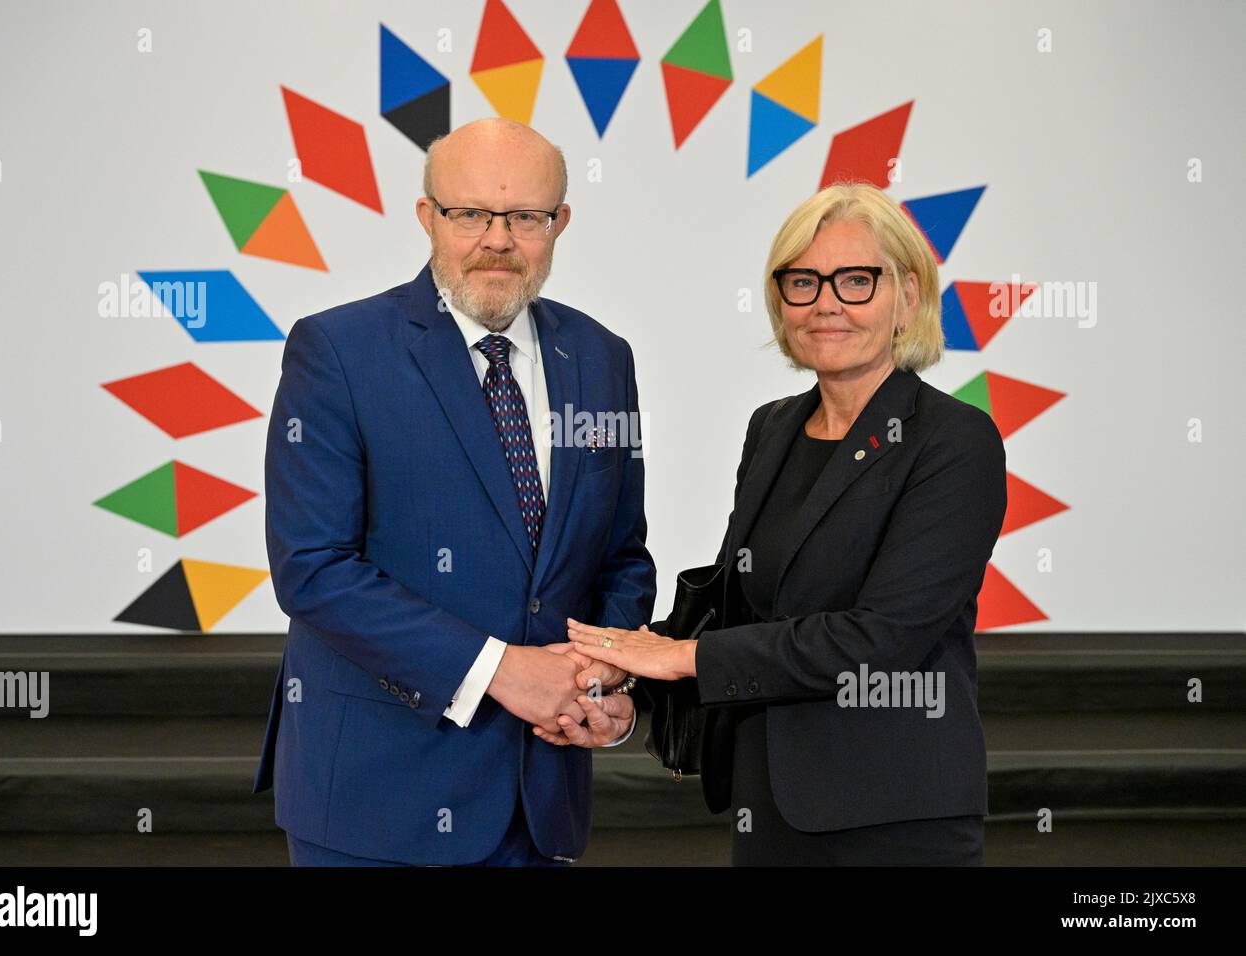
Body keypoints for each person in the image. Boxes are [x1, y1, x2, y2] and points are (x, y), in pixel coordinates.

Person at [563, 182, 1007, 866]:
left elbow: (882, 639)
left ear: (909, 298)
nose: (826, 302)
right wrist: (626, 682)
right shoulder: (772, 428)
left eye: (856, 280)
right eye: (803, 281)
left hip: (894, 815)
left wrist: (682, 658)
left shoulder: (954, 440)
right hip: (766, 802)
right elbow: (738, 613)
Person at [252, 118, 653, 866]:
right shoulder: (337, 350)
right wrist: (503, 670)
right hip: (377, 804)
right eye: (470, 213)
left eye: (525, 217)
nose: (497, 240)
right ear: (427, 216)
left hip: (541, 797)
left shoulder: (601, 358)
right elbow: (313, 568)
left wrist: (600, 674)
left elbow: (622, 556)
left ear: (559, 223)